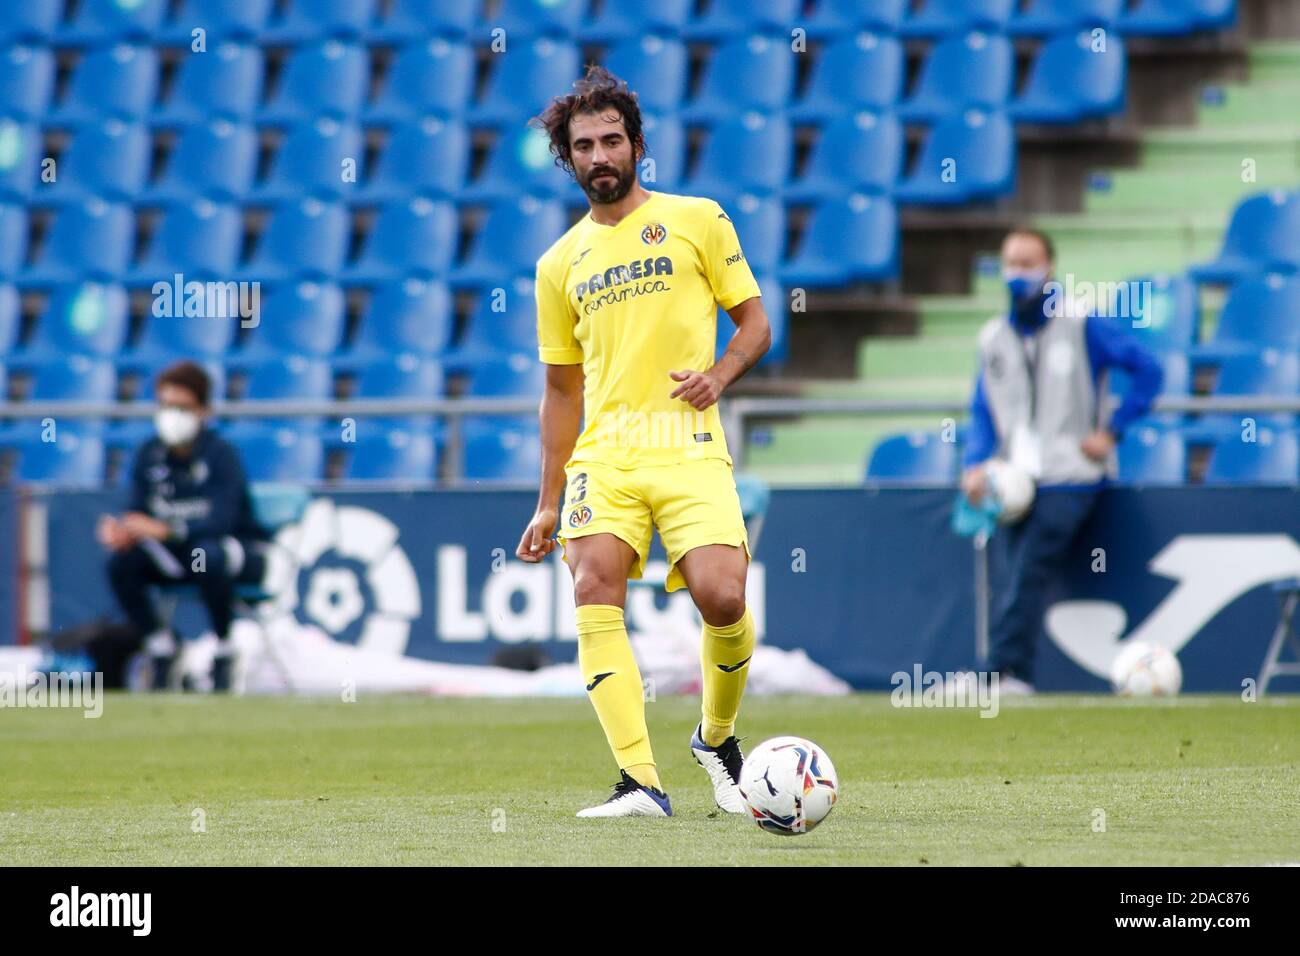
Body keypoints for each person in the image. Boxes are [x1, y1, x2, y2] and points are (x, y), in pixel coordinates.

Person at [515, 66, 772, 818]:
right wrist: (546, 501)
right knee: (593, 581)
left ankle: (716, 738)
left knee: (722, 596)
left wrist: (720, 376)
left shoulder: (698, 219)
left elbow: (755, 323)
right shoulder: (557, 265)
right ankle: (640, 782)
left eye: (612, 140)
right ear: (568, 159)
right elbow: (562, 392)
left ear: (637, 145)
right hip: (608, 451)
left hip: (688, 442)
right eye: (584, 145)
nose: (600, 155)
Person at [960, 228, 1164, 693]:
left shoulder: (1081, 322)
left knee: (1029, 569)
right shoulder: (993, 338)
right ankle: (1017, 675)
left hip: (1073, 476)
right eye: (1011, 263)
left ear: (1050, 266)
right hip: (1016, 481)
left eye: (1028, 263)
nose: (1018, 274)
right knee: (1013, 578)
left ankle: (1001, 673)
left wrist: (1111, 430)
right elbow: (983, 410)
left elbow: (1149, 370)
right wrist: (975, 462)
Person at [97, 361, 268, 692]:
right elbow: (138, 510)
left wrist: (168, 530)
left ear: (204, 410)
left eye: (182, 407)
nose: (172, 415)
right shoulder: (150, 454)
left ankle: (223, 648)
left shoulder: (221, 455)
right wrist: (123, 531)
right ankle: (161, 648)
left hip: (231, 553)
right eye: (165, 406)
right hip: (175, 557)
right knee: (122, 564)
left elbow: (223, 519)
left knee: (206, 554)